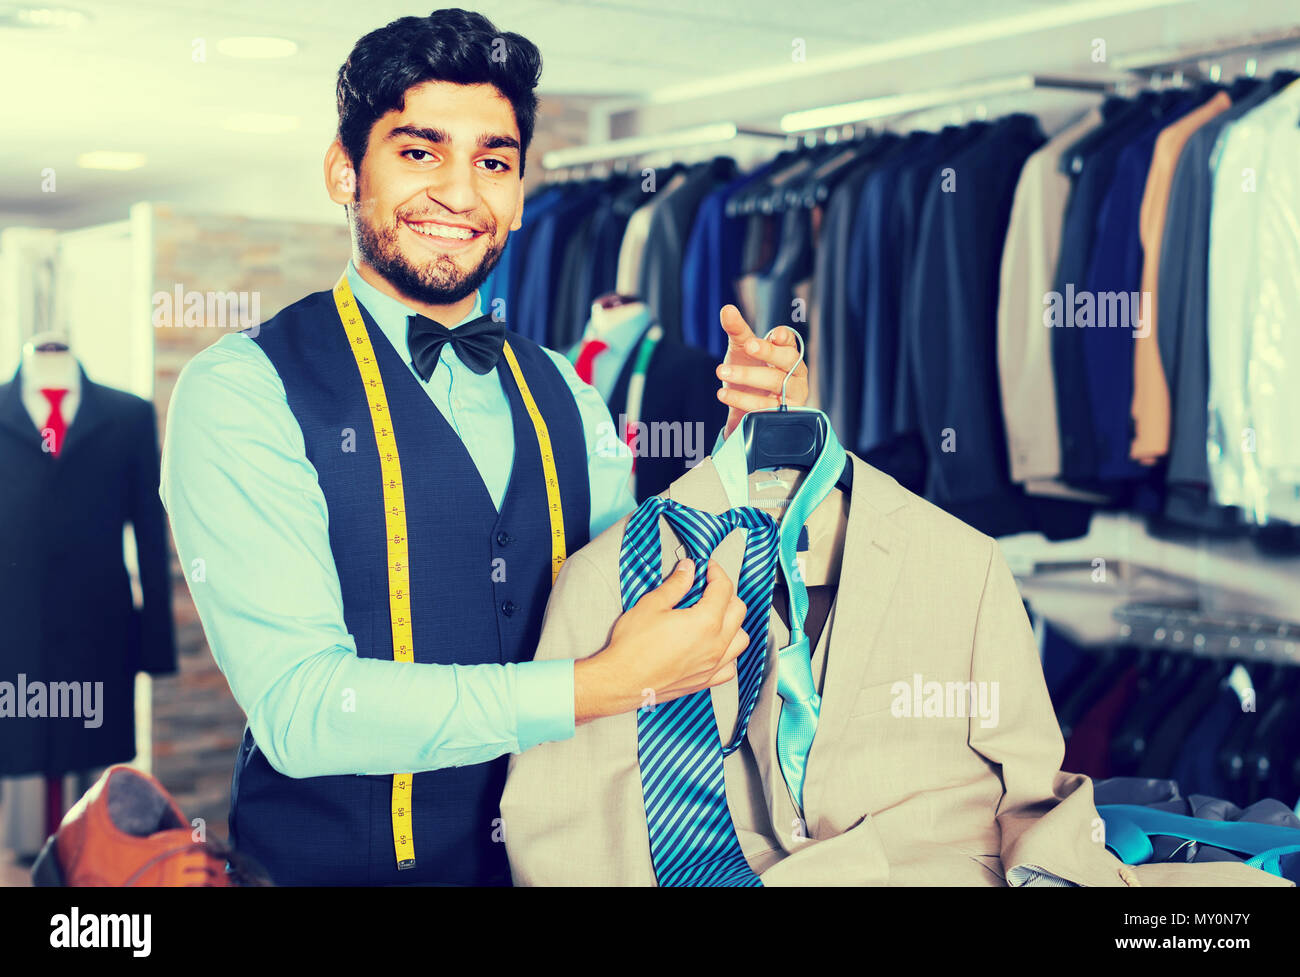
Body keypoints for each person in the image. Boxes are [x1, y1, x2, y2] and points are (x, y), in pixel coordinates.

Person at [159, 7, 808, 886]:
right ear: (343, 170)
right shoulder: (241, 389)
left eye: (493, 162)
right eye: (418, 152)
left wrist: (754, 449)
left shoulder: (568, 396)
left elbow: (651, 593)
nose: (461, 195)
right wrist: (596, 686)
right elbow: (302, 708)